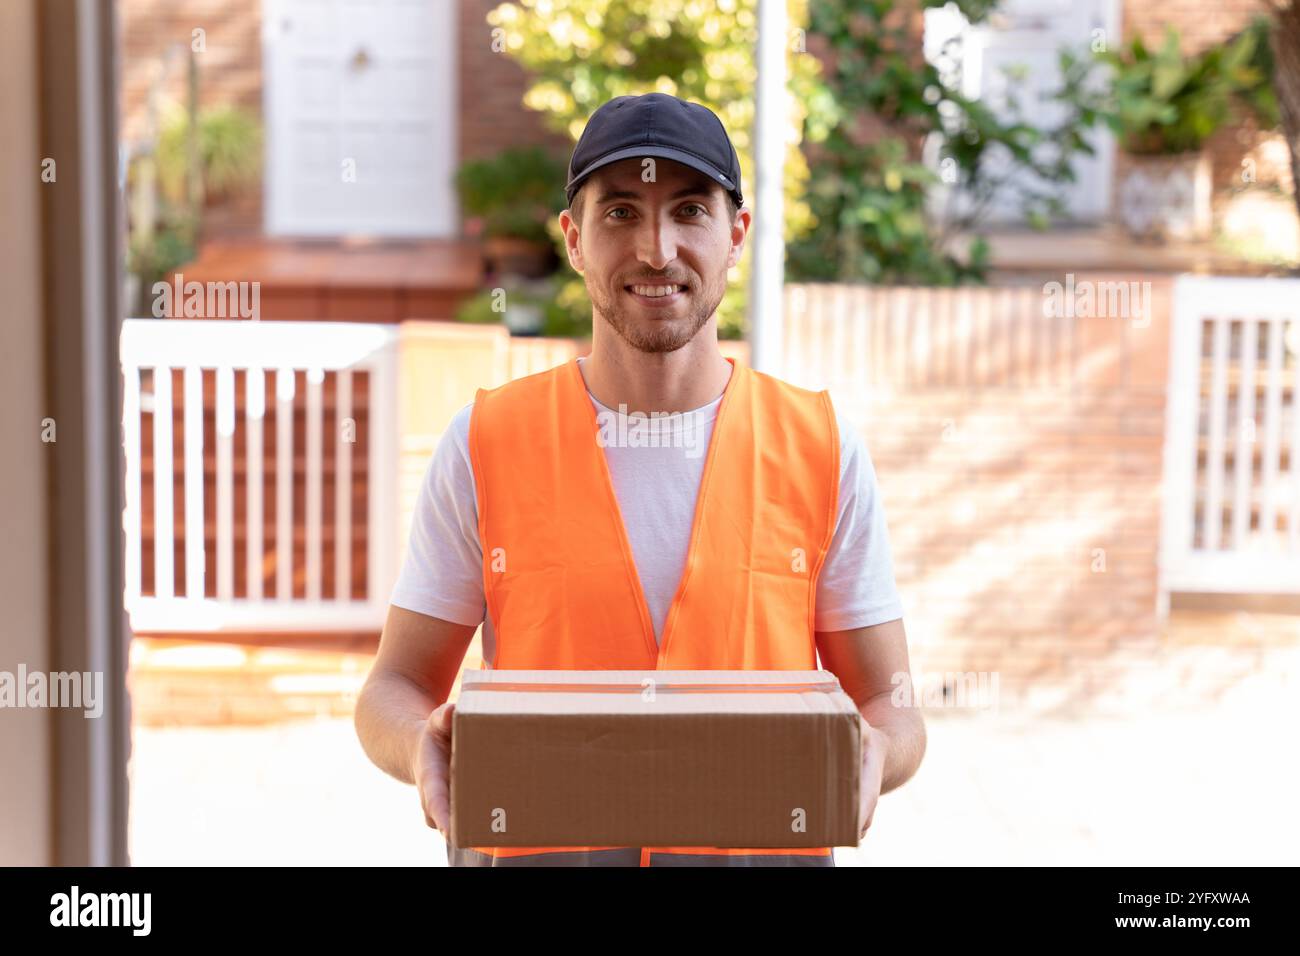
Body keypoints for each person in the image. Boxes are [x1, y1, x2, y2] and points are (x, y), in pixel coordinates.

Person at [354, 92, 926, 866]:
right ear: (575, 240)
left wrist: (870, 754)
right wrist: (419, 745)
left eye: (690, 211)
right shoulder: (487, 442)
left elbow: (894, 709)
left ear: (736, 237)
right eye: (620, 213)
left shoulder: (819, 447)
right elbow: (393, 686)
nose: (657, 250)